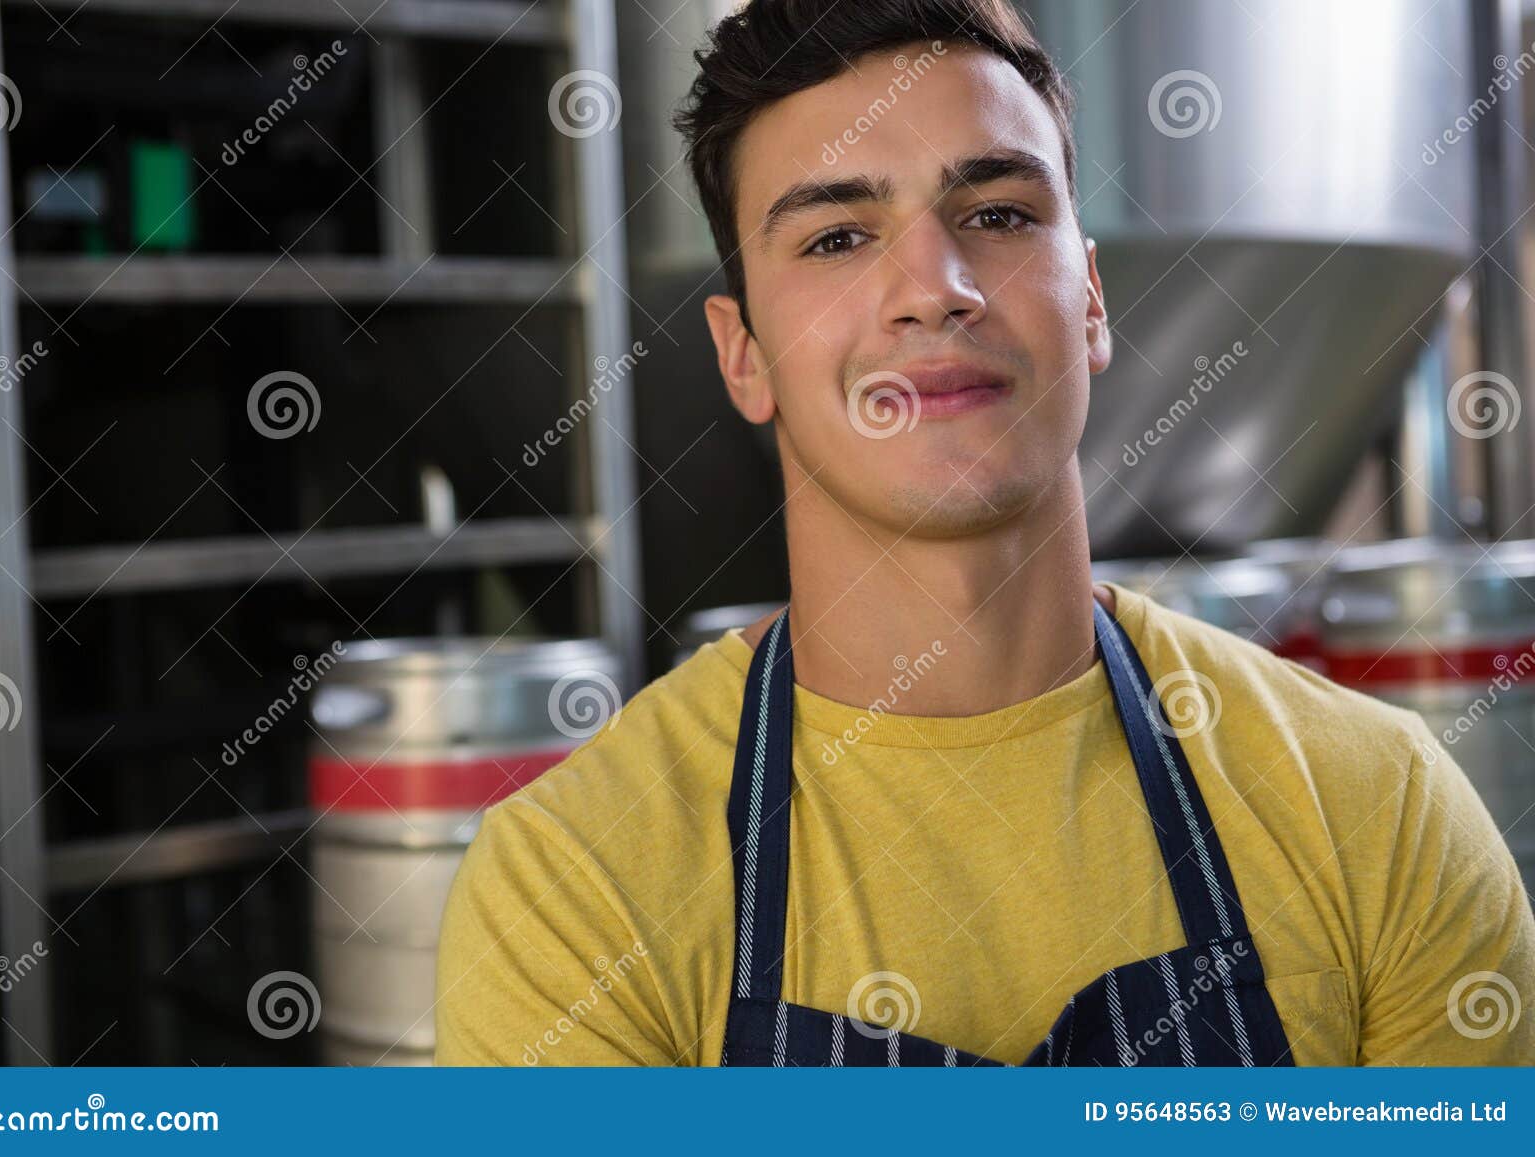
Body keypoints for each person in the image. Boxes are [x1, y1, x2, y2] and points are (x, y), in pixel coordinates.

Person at [435, 0, 1535, 1065]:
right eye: (836, 237)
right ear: (742, 354)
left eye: (998, 215)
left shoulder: (1376, 805)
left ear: (1090, 298)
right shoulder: (574, 886)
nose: (935, 289)